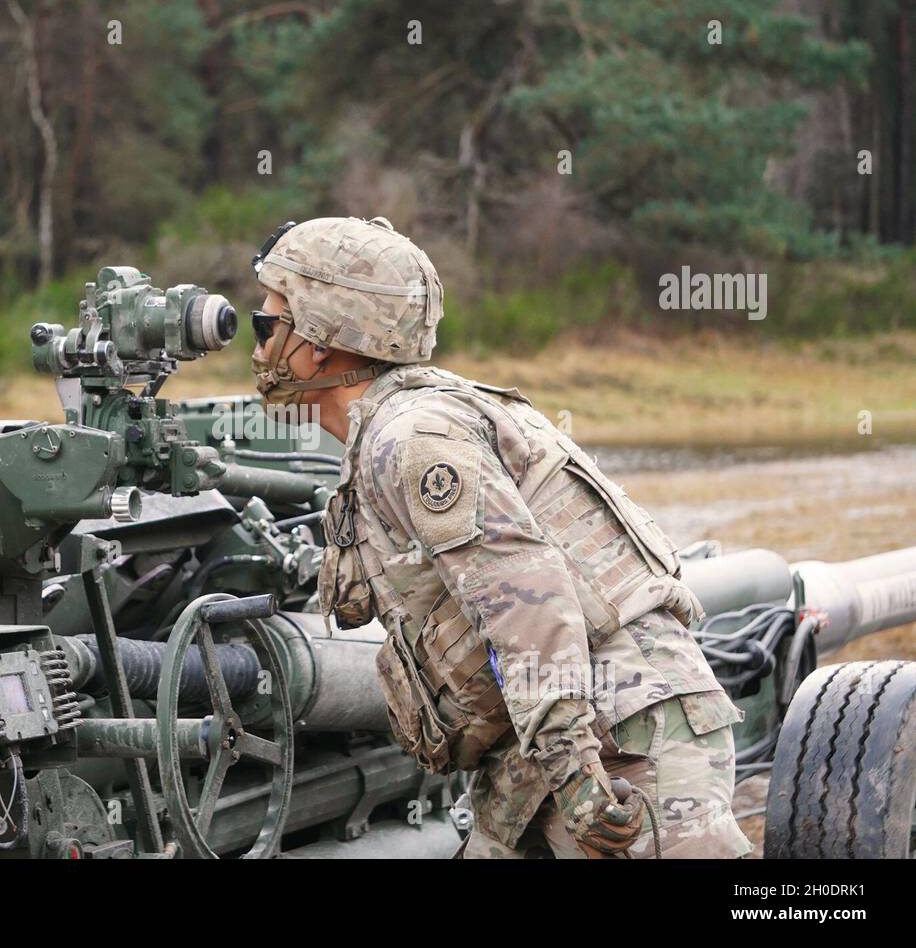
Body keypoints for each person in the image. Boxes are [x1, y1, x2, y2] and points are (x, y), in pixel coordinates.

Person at [248, 216, 752, 858]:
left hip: (619, 733)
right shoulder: (402, 424)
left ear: (320, 338)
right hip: (540, 749)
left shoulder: (410, 441)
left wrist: (575, 771)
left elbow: (528, 605)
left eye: (269, 324)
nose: (258, 345)